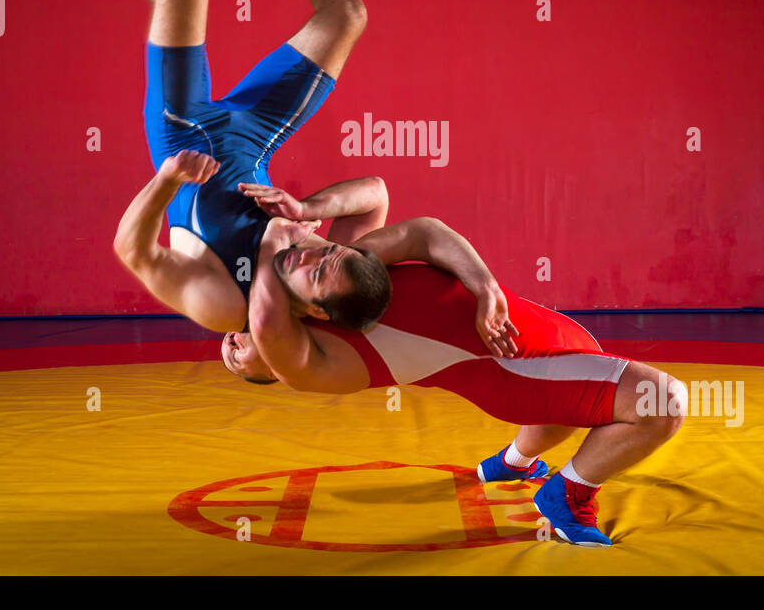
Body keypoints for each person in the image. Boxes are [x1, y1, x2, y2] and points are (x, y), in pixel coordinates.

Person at [228, 184, 688, 548]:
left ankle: (513, 463)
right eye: (245, 350)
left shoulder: (337, 270)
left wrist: (304, 209)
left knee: (571, 396)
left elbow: (405, 217)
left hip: (531, 327)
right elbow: (267, 325)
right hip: (514, 371)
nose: (308, 249)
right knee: (663, 401)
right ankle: (567, 493)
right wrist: (274, 238)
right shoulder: (314, 357)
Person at [112, 0, 392, 334]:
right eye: (325, 250)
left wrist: (169, 180)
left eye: (315, 274)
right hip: (258, 133)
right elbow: (376, 194)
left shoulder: (227, 303)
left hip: (183, 137)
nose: (309, 254)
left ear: (314, 312)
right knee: (347, 15)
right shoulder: (340, 266)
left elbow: (133, 252)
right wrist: (309, 210)